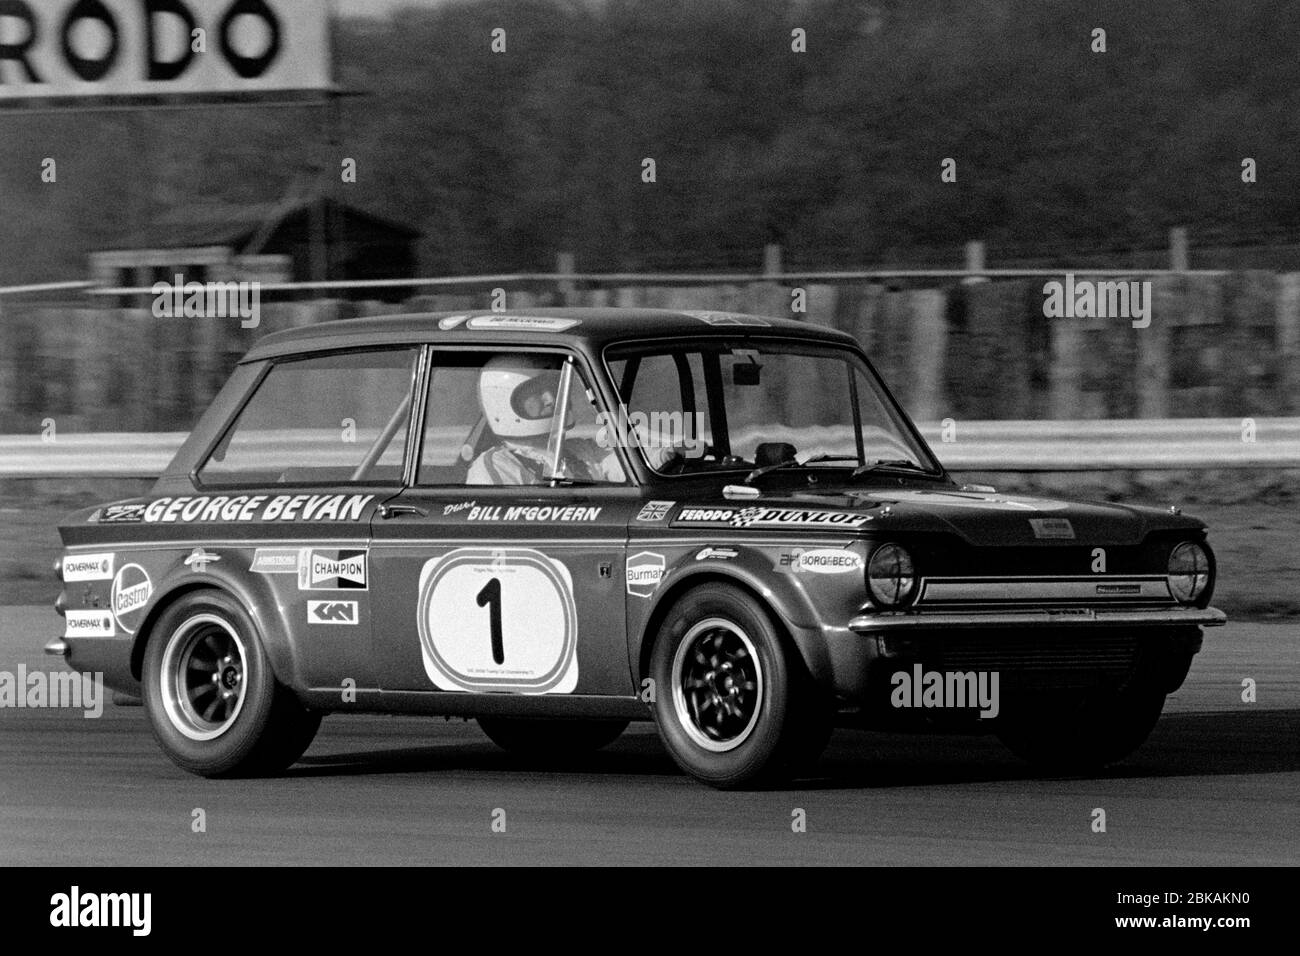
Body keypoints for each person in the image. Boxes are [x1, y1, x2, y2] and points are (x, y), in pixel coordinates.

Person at [467, 356, 624, 485]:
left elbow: (637, 465)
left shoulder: (581, 450)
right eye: (537, 392)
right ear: (501, 401)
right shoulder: (496, 467)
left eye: (552, 388)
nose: (551, 399)